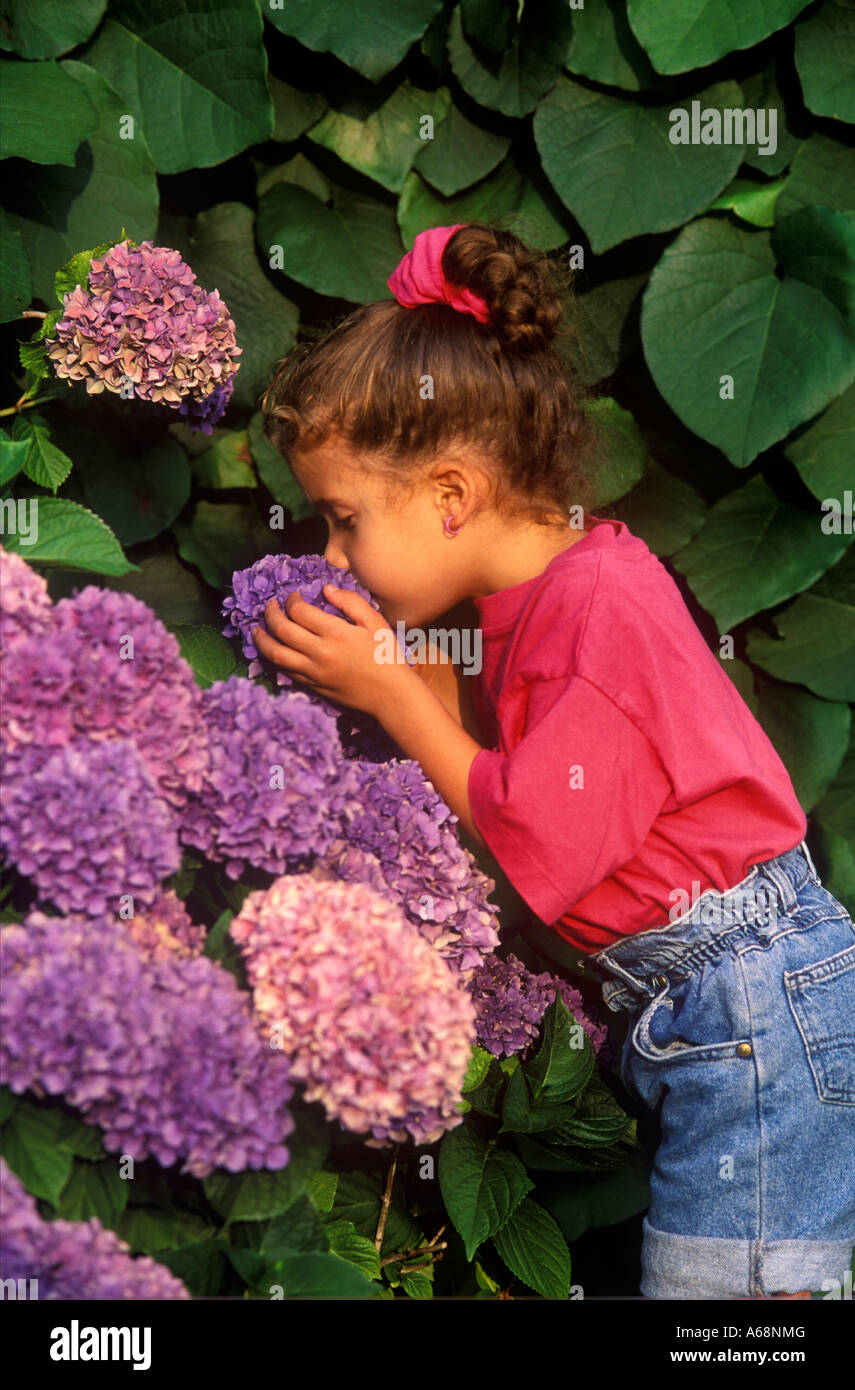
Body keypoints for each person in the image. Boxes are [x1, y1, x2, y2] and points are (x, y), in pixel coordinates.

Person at [252, 220, 855, 1301]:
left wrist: (393, 689)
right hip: (721, 1000)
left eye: (343, 522)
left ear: (448, 495)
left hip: (751, 997)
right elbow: (496, 764)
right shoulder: (532, 599)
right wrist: (418, 684)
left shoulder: (596, 606)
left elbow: (540, 829)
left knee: (739, 1306)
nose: (329, 555)